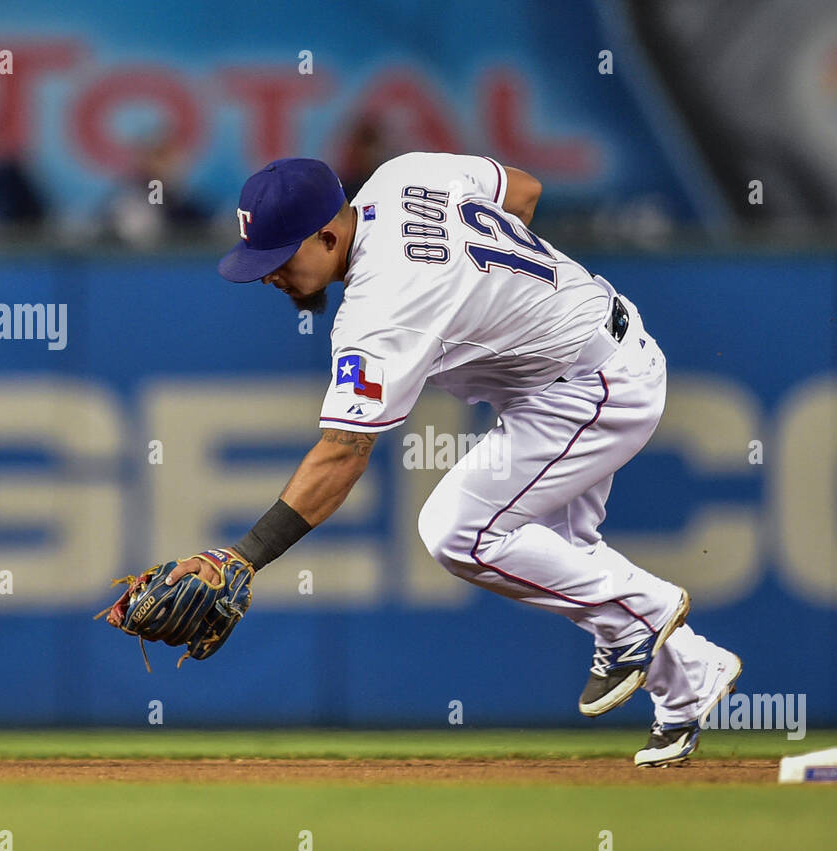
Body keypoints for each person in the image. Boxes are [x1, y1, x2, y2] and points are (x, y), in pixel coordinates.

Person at [167, 153, 741, 766]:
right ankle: (688, 682)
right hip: (583, 355)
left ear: (329, 235)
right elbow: (523, 191)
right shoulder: (405, 174)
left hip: (591, 387)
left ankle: (642, 615)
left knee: (458, 533)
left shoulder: (381, 311)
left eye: (278, 259)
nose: (267, 276)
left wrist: (243, 556)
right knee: (566, 557)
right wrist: (504, 301)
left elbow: (341, 455)